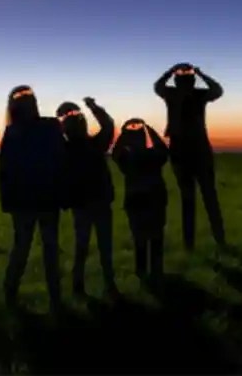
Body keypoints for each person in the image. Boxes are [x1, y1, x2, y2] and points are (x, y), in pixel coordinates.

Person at [0, 85, 67, 311]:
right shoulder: (49, 126)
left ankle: (11, 293)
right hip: (45, 198)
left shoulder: (14, 131)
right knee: (48, 248)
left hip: (25, 200)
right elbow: (61, 160)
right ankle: (55, 298)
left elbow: (5, 169)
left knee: (23, 247)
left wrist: (7, 201)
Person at [154, 63, 226, 250]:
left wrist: (173, 71)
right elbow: (217, 91)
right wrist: (198, 73)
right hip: (190, 149)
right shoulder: (188, 94)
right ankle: (205, 242)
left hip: (190, 150)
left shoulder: (182, 94)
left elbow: (218, 91)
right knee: (203, 197)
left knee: (197, 198)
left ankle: (200, 242)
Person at [57, 97, 118, 299]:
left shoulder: (65, 150)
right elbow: (108, 125)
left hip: (86, 205)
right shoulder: (92, 145)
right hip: (92, 204)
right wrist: (92, 107)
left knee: (85, 247)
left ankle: (82, 287)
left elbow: (108, 125)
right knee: (100, 248)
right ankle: (105, 286)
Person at [111, 118, 169, 283]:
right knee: (156, 236)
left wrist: (123, 135)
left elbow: (115, 154)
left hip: (135, 199)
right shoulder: (154, 155)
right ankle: (157, 271)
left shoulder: (127, 157)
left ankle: (141, 270)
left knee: (139, 238)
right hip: (156, 197)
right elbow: (164, 151)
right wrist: (149, 130)